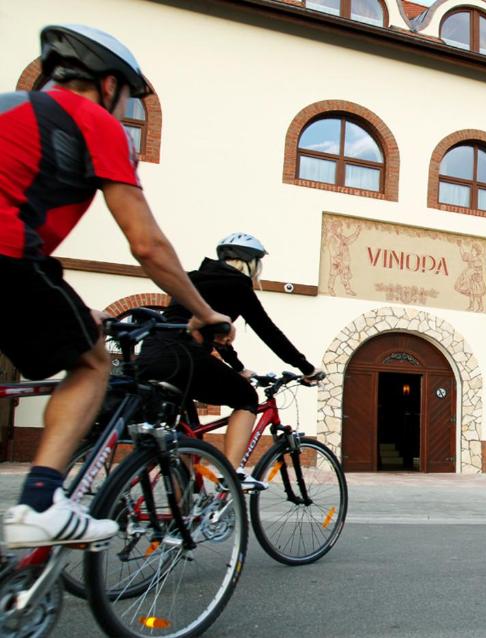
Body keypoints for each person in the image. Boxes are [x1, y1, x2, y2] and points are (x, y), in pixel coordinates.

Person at [0, 25, 234, 548]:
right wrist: (203, 312)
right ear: (108, 86)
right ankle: (40, 504)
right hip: (8, 251)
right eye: (126, 97)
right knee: (91, 362)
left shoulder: (9, 107)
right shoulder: (96, 124)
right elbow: (147, 244)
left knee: (78, 330)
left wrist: (86, 314)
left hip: (23, 264)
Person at [137, 234, 322, 489]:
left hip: (151, 355)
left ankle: (137, 500)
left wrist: (239, 368)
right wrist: (306, 368)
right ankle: (231, 471)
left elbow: (217, 336)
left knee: (182, 440)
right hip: (185, 358)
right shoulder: (236, 284)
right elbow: (268, 331)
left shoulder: (193, 278)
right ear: (251, 263)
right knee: (245, 397)